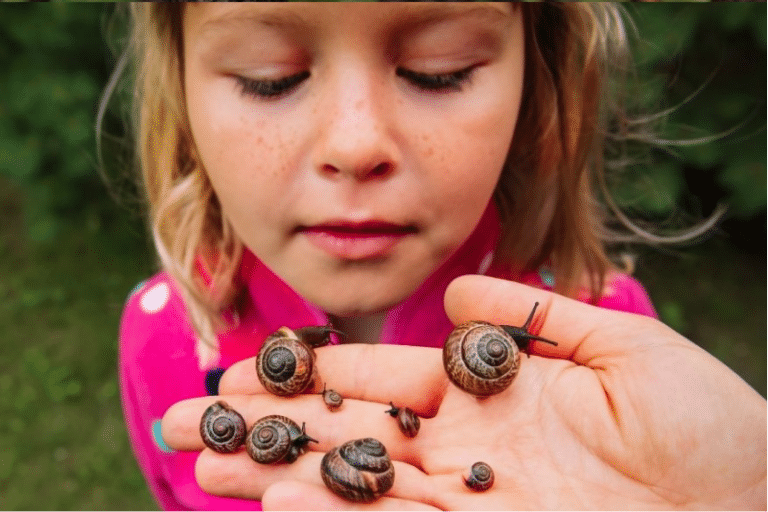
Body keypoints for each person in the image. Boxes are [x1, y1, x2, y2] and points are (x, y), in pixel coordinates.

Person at [112, 2, 766, 511]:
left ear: (537, 81)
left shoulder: (603, 353)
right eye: (269, 79)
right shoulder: (163, 339)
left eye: (439, 69)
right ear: (181, 91)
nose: (356, 142)